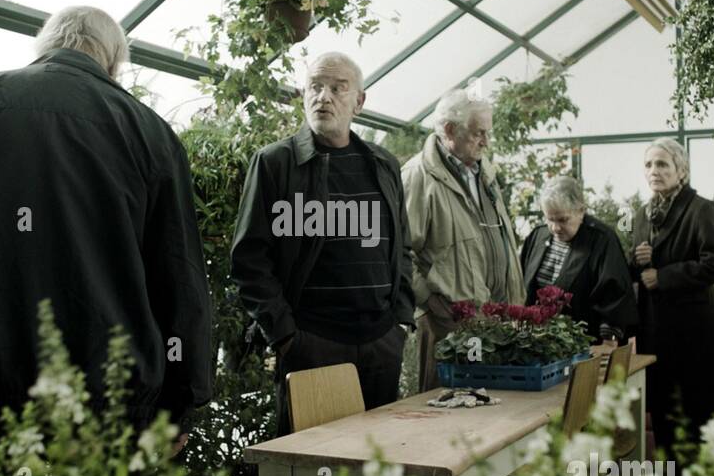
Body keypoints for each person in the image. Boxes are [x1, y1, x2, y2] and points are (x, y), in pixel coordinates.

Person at [0, 6, 212, 442]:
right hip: (104, 397)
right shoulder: (148, 132)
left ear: (44, 45)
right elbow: (179, 276)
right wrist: (180, 402)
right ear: (114, 62)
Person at [231, 52, 414, 436]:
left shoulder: (383, 164)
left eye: (337, 88)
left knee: (379, 457)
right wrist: (286, 337)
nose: (323, 97)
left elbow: (402, 247)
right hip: (313, 344)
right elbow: (249, 259)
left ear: (359, 102)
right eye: (315, 87)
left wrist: (400, 321)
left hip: (381, 343)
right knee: (314, 463)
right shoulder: (276, 163)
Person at [403, 88, 524, 391]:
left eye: (487, 132)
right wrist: (430, 302)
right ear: (449, 130)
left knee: (489, 407)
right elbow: (400, 252)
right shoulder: (418, 176)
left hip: (492, 319)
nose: (486, 141)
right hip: (448, 324)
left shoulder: (483, 172)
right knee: (446, 406)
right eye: (478, 132)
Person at [629, 138, 714, 463]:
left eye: (662, 164)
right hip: (656, 334)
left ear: (681, 171)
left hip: (694, 336)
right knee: (664, 417)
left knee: (699, 417)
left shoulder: (700, 209)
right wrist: (636, 260)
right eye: (648, 164)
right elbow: (640, 272)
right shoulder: (641, 215)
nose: (654, 171)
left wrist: (665, 276)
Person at [519, 175, 637, 344]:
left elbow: (615, 296)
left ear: (581, 211)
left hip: (585, 343)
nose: (555, 228)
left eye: (563, 220)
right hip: (538, 340)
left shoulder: (602, 239)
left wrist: (610, 339)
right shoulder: (537, 236)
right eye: (550, 219)